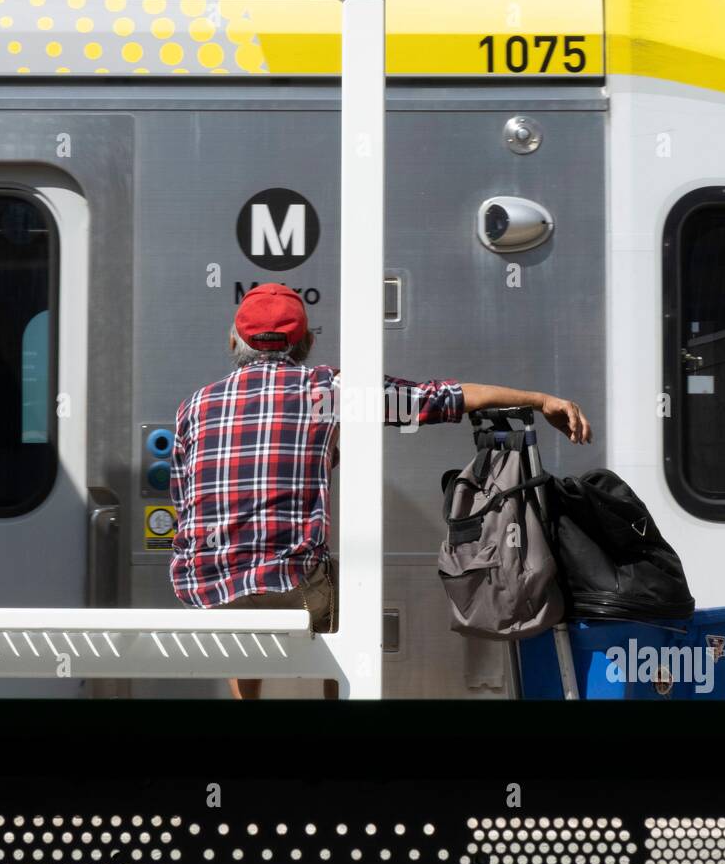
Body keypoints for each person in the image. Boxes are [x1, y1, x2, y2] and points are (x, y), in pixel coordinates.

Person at [170, 283, 592, 699]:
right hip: (292, 583)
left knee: (241, 598)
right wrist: (538, 399)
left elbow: (183, 499)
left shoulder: (195, 406)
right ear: (306, 343)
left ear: (234, 339)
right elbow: (435, 399)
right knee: (339, 590)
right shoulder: (326, 391)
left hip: (205, 585)